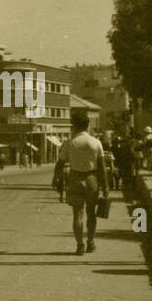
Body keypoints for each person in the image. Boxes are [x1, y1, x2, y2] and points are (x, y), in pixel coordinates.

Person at [62, 108, 109, 254]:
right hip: (91, 179)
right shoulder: (96, 142)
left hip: (75, 179)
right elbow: (102, 167)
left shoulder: (69, 143)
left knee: (77, 214)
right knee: (91, 213)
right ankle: (90, 242)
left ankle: (79, 245)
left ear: (74, 126)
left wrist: (58, 181)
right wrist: (106, 186)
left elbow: (60, 164)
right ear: (87, 125)